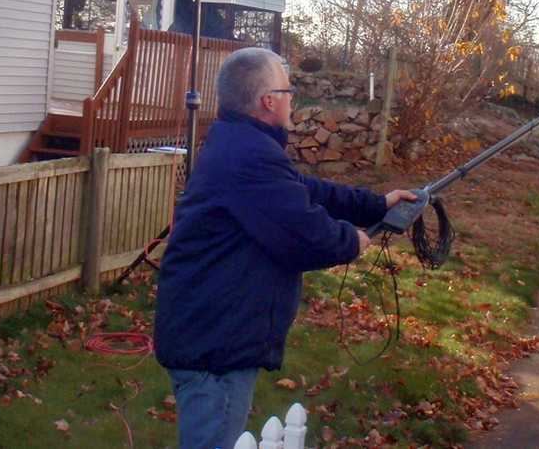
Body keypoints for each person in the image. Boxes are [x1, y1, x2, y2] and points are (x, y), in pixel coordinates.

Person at [154, 47, 416, 449]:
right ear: (268, 101)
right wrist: (352, 240)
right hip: (214, 347)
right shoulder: (249, 156)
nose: (293, 98)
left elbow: (303, 190)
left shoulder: (241, 144)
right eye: (287, 90)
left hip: (211, 333)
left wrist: (376, 205)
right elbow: (304, 235)